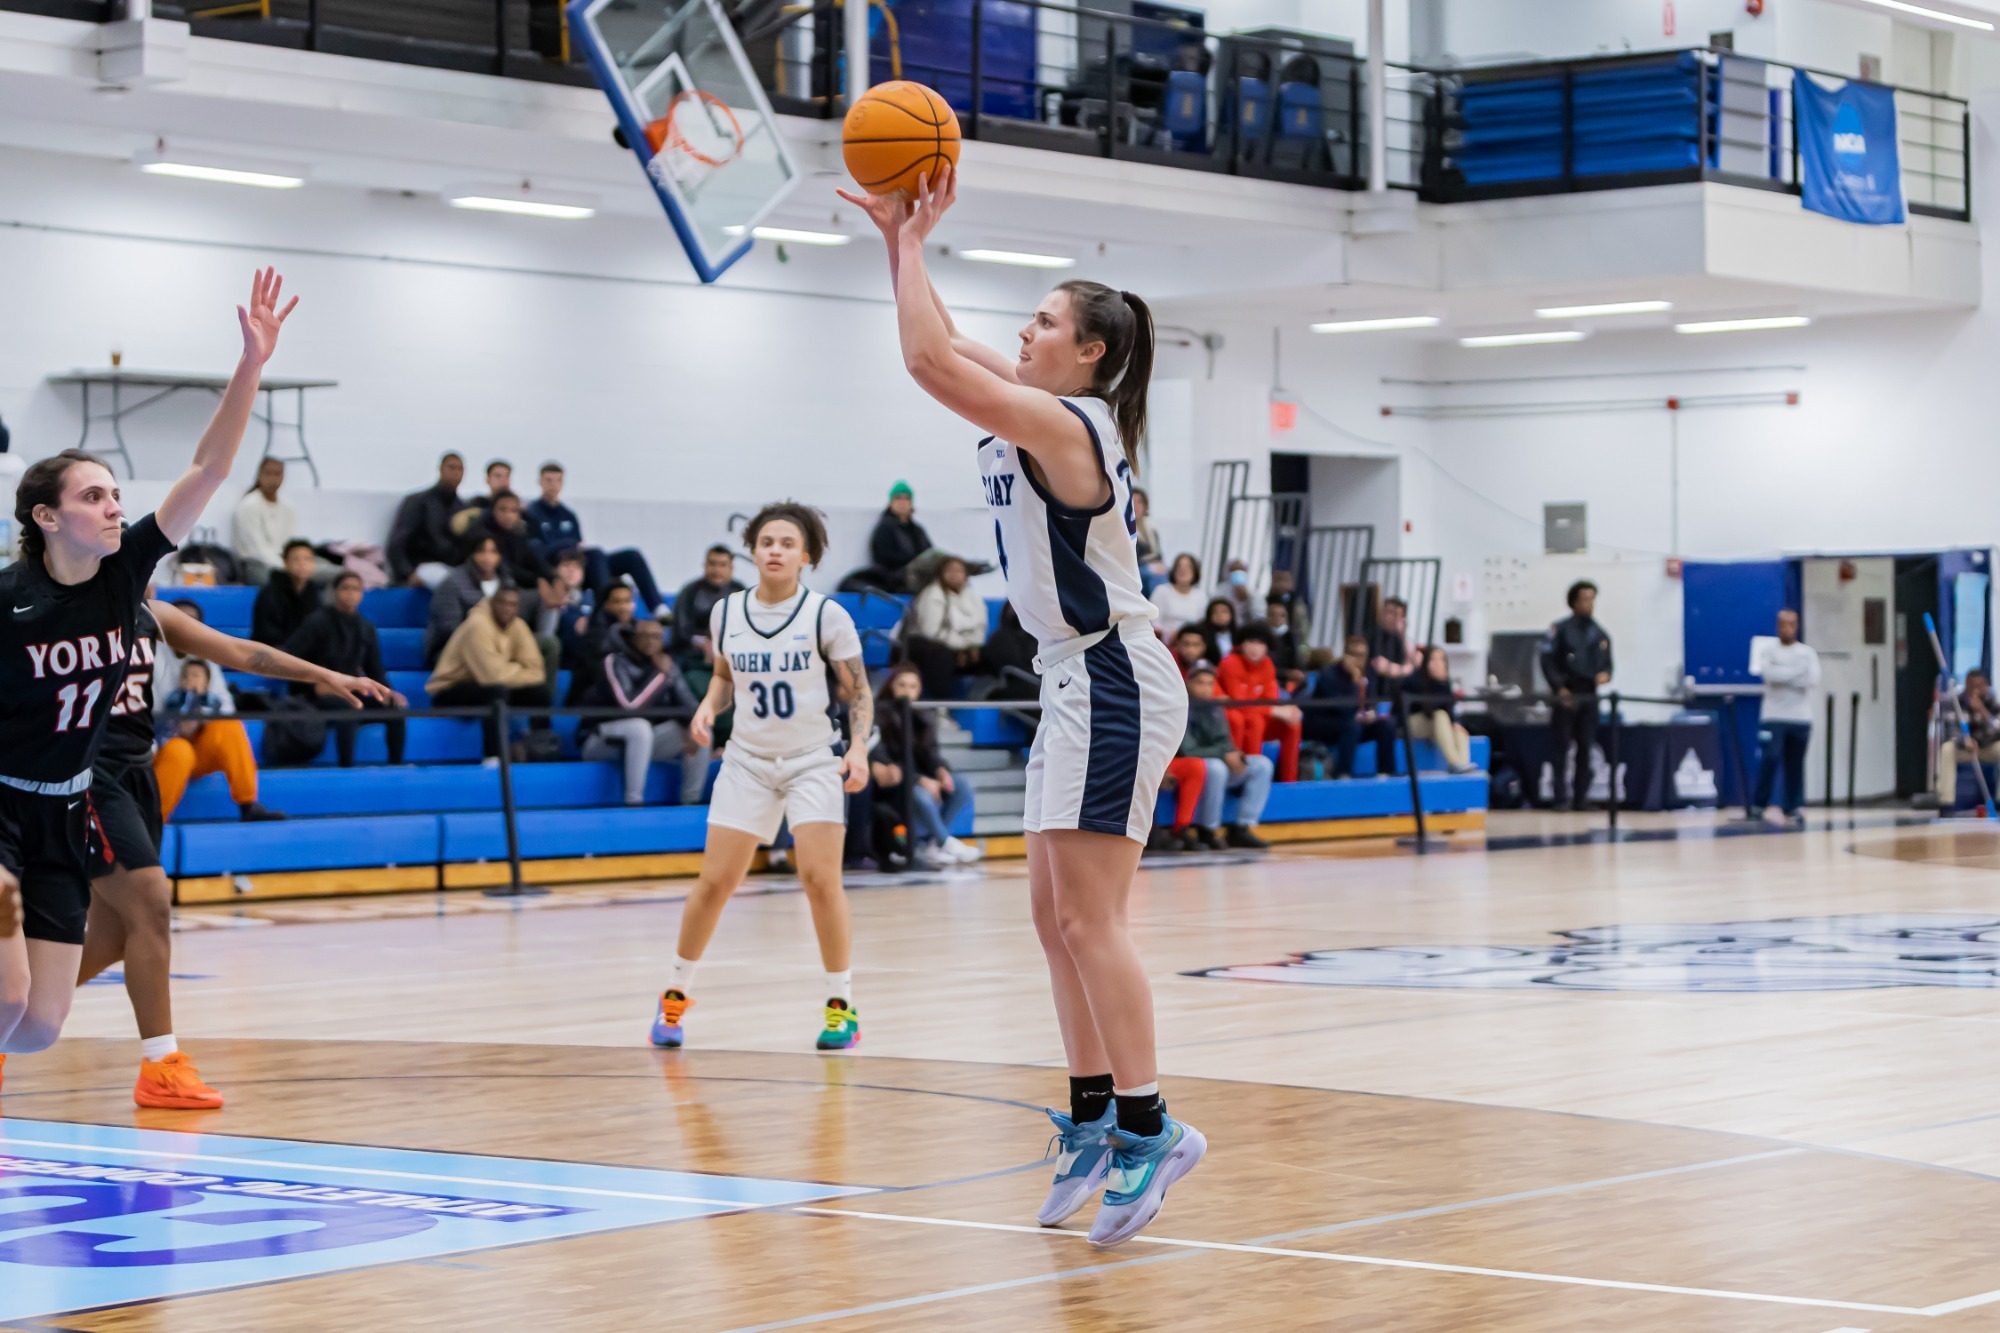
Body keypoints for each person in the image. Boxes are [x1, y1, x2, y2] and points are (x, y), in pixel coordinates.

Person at [845, 163, 1203, 1249]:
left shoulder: (1072, 426)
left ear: (1087, 352)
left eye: (1044, 321)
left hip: (1110, 670)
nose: (1027, 329)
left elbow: (920, 358)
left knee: (1092, 919)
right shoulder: (1041, 403)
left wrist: (909, 243)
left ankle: (1151, 1127)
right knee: (1051, 923)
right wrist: (899, 240)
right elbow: (944, 343)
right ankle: (1094, 1112)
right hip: (1068, 674)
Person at [0, 266, 295, 1066]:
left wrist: (252, 365)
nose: (113, 505)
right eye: (94, 495)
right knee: (9, 994)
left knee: (38, 1027)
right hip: (1, 802)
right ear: (46, 515)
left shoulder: (124, 577)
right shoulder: (7, 597)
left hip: (65, 812)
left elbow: (206, 470)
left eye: (114, 493)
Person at [62, 593, 382, 1110]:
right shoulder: (52, 607)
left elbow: (239, 651)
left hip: (138, 769)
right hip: (88, 776)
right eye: (101, 506)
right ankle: (161, 1065)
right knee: (151, 907)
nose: (113, 514)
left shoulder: (151, 613)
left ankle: (9, 1023)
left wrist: (324, 674)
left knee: (114, 935)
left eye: (119, 509)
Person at [648, 502, 871, 1054]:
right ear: (752, 550)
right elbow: (724, 678)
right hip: (747, 761)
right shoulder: (726, 612)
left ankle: (840, 1006)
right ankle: (675, 995)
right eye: (766, 540)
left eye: (787, 543)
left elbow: (859, 692)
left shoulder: (827, 616)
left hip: (812, 760)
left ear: (807, 556)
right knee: (716, 882)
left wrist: (860, 747)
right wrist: (707, 705)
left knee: (820, 881)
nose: (775, 550)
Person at [579, 617, 711, 807]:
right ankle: (634, 803)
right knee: (639, 727)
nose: (651, 641)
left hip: (645, 743)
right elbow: (629, 706)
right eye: (645, 636)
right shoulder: (614, 661)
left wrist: (690, 724)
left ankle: (690, 802)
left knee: (700, 730)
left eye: (657, 637)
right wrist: (661, 676)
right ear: (633, 638)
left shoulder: (666, 665)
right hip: (601, 741)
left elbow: (689, 706)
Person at [285, 572, 407, 767]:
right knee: (348, 707)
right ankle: (346, 767)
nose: (351, 593)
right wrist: (313, 685)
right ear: (335, 592)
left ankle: (396, 766)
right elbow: (290, 656)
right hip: (317, 692)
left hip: (351, 689)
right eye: (345, 588)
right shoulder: (317, 621)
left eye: (356, 589)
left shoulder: (366, 627)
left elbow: (375, 669)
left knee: (395, 707)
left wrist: (387, 692)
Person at [871, 664, 981, 868]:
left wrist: (941, 771)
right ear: (891, 686)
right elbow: (887, 763)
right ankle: (945, 841)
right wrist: (920, 780)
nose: (907, 691)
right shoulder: (881, 713)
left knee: (961, 785)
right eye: (902, 685)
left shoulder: (923, 714)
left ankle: (935, 845)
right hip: (898, 785)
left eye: (913, 686)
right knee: (922, 793)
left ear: (919, 689)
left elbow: (931, 753)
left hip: (922, 778)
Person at [426, 587, 554, 760]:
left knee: (539, 692)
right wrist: (518, 668)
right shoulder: (477, 625)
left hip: (488, 687)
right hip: (449, 690)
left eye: (513, 604)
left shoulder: (518, 625)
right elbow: (491, 678)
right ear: (492, 603)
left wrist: (505, 669)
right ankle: (494, 758)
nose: (507, 608)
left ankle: (541, 751)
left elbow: (538, 672)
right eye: (502, 603)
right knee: (496, 693)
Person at [154, 659, 286, 822]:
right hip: (164, 746)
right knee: (179, 750)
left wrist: (199, 719)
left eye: (195, 676)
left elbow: (225, 709)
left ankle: (248, 804)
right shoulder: (149, 653)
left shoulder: (205, 656)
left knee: (229, 726)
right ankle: (152, 820)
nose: (190, 679)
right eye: (186, 676)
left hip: (200, 745)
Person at [527, 462, 668, 614]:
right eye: (548, 480)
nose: (553, 485)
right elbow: (538, 550)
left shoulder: (568, 515)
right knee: (595, 554)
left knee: (631, 556)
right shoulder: (531, 513)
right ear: (540, 482)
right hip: (556, 568)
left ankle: (658, 607)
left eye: (557, 480)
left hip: (580, 566)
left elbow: (579, 546)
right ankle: (605, 608)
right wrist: (567, 545)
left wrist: (575, 551)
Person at [1180, 664, 1272, 850]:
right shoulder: (1181, 706)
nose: (1205, 688)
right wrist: (1224, 755)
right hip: (1194, 767)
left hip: (1216, 763)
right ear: (1188, 684)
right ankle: (1207, 830)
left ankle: (1241, 827)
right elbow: (1187, 750)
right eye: (1200, 683)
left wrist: (1236, 755)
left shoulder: (1216, 707)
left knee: (1262, 764)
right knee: (1217, 768)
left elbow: (1225, 743)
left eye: (1209, 683)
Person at [1540, 580, 1613, 811]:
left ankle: (1581, 798)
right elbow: (1548, 661)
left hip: (1588, 696)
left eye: (1592, 599)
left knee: (1585, 749)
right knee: (1561, 749)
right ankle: (1560, 797)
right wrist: (1559, 688)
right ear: (1573, 601)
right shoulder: (1559, 630)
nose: (1589, 604)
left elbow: (1608, 666)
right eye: (1584, 598)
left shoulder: (1599, 633)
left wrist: (1604, 675)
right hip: (1566, 694)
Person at [1748, 609, 1820, 823]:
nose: (1787, 628)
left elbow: (1812, 680)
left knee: (1795, 763)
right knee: (1770, 758)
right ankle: (1759, 805)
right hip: (1773, 717)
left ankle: (1793, 806)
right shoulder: (1768, 650)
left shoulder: (1807, 653)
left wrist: (1784, 675)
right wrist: (1796, 672)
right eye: (1782, 624)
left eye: (1791, 624)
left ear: (1796, 626)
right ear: (1777, 626)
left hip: (1800, 718)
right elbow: (1770, 676)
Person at [1304, 634, 1399, 779]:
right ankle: (1343, 774)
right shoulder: (1329, 674)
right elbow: (1343, 707)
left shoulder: (1368, 673)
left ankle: (1386, 773)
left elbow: (1371, 701)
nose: (1359, 659)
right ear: (1345, 654)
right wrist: (1355, 681)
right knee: (1352, 726)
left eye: (1362, 655)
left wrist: (1371, 713)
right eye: (1354, 654)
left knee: (1387, 724)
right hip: (1326, 723)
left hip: (1354, 723)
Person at [1218, 623, 1301, 783]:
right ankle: (1251, 774)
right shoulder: (1230, 663)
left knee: (1293, 723)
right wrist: (1271, 711)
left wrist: (1281, 711)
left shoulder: (1267, 664)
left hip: (1256, 716)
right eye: (1250, 642)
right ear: (1241, 644)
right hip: (1230, 717)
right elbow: (1238, 703)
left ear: (1267, 646)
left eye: (1260, 643)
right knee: (1254, 721)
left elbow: (1270, 699)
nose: (1255, 648)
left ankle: (1289, 781)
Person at [905, 554, 989, 699]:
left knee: (991, 653)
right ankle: (941, 706)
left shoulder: (973, 597)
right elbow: (931, 632)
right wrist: (960, 648)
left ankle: (987, 697)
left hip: (963, 647)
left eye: (959, 571)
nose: (955, 575)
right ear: (941, 573)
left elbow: (980, 628)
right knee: (940, 655)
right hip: (927, 645)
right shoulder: (932, 595)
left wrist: (970, 647)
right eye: (950, 570)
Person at [426, 534, 513, 667]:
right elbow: (448, 628)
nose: (487, 557)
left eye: (493, 551)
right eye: (481, 551)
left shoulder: (507, 583)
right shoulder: (453, 582)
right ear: (472, 553)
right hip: (453, 650)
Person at [387, 452, 468, 589]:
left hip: (451, 570)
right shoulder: (418, 502)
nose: (455, 473)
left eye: (460, 469)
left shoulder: (462, 509)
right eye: (451, 467)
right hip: (421, 567)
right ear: (441, 469)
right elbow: (398, 542)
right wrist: (407, 573)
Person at [671, 545, 746, 668]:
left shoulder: (740, 592)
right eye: (712, 564)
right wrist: (702, 642)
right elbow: (680, 631)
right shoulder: (690, 592)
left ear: (731, 568)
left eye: (722, 565)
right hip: (695, 656)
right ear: (705, 565)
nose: (716, 570)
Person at [1407, 645, 1478, 775]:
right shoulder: (1416, 679)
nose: (1438, 664)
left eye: (1441, 660)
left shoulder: (1445, 682)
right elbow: (1429, 709)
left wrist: (1455, 724)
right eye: (1433, 660)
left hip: (1434, 724)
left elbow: (1449, 708)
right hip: (1412, 722)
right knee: (1440, 715)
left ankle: (1463, 765)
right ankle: (1454, 763)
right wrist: (1438, 683)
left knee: (1458, 730)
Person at [232, 456, 302, 587]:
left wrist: (296, 564)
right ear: (259, 475)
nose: (272, 479)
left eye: (277, 474)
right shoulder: (248, 505)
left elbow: (289, 542)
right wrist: (287, 568)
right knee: (279, 579)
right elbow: (256, 549)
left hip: (284, 560)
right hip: (254, 563)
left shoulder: (288, 508)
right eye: (268, 473)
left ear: (283, 477)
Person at [1936, 669, 2000, 809]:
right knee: (1947, 749)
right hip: (1966, 749)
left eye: (1980, 686)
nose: (1976, 690)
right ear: (1966, 686)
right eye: (1972, 686)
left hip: (1987, 748)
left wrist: (1982, 711)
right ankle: (1946, 801)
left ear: (1985, 685)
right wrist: (1964, 741)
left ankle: (1998, 800)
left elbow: (1997, 729)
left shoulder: (1993, 701)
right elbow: (1950, 730)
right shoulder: (1956, 703)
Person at [861, 481, 932, 592]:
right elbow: (884, 558)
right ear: (891, 502)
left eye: (906, 498)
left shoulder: (917, 530)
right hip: (894, 579)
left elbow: (929, 552)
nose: (902, 502)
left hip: (918, 575)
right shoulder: (885, 528)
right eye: (898, 498)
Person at [250, 537, 321, 647]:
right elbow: (267, 636)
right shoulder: (270, 593)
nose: (302, 564)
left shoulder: (313, 592)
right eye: (296, 559)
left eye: (307, 559)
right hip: (273, 655)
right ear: (285, 563)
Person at [1369, 597, 1421, 697]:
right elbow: (1380, 666)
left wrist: (1403, 635)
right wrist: (1408, 668)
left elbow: (1416, 660)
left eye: (1398, 615)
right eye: (1390, 613)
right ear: (1381, 614)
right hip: (1379, 691)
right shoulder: (1374, 635)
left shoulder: (1399, 637)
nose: (1394, 618)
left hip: (1401, 692)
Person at [1149, 554, 1207, 637]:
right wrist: (1168, 634)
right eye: (1179, 566)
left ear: (1195, 571)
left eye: (1188, 567)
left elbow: (1201, 624)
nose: (1182, 569)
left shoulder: (1201, 596)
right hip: (1163, 641)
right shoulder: (1161, 591)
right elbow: (1153, 620)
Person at [1131, 487, 1165, 587]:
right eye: (1132, 501)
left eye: (1139, 502)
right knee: (1156, 578)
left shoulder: (1152, 531)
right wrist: (1149, 567)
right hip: (1135, 571)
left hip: (1150, 570)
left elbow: (1158, 555)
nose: (1135, 506)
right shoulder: (1122, 529)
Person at [1267, 567, 1311, 644]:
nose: (1281, 585)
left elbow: (1302, 630)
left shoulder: (1297, 605)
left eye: (1285, 581)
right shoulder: (1265, 601)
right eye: (1278, 580)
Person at [1200, 596, 1237, 666]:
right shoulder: (1203, 636)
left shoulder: (1238, 635)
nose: (1220, 615)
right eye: (1215, 612)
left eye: (1224, 612)